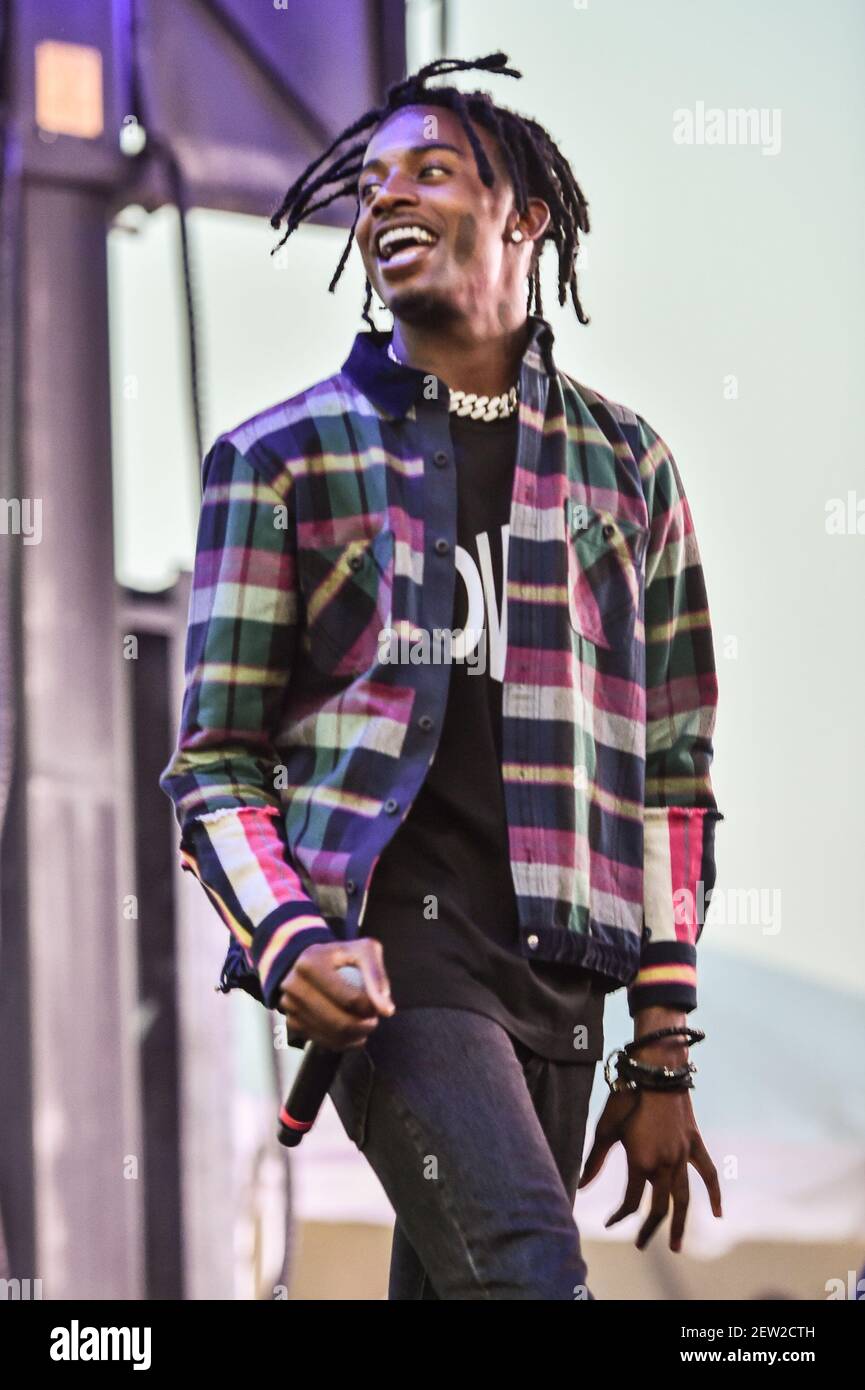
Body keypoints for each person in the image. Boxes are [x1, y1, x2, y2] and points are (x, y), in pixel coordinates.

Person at [159, 51, 725, 1300]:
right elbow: (212, 764)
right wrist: (285, 934)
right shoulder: (279, 461)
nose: (385, 197)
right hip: (389, 971)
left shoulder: (629, 470)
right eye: (369, 182)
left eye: (429, 168)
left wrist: (663, 1048)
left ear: (523, 213)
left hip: (563, 977)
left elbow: (673, 778)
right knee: (530, 1273)